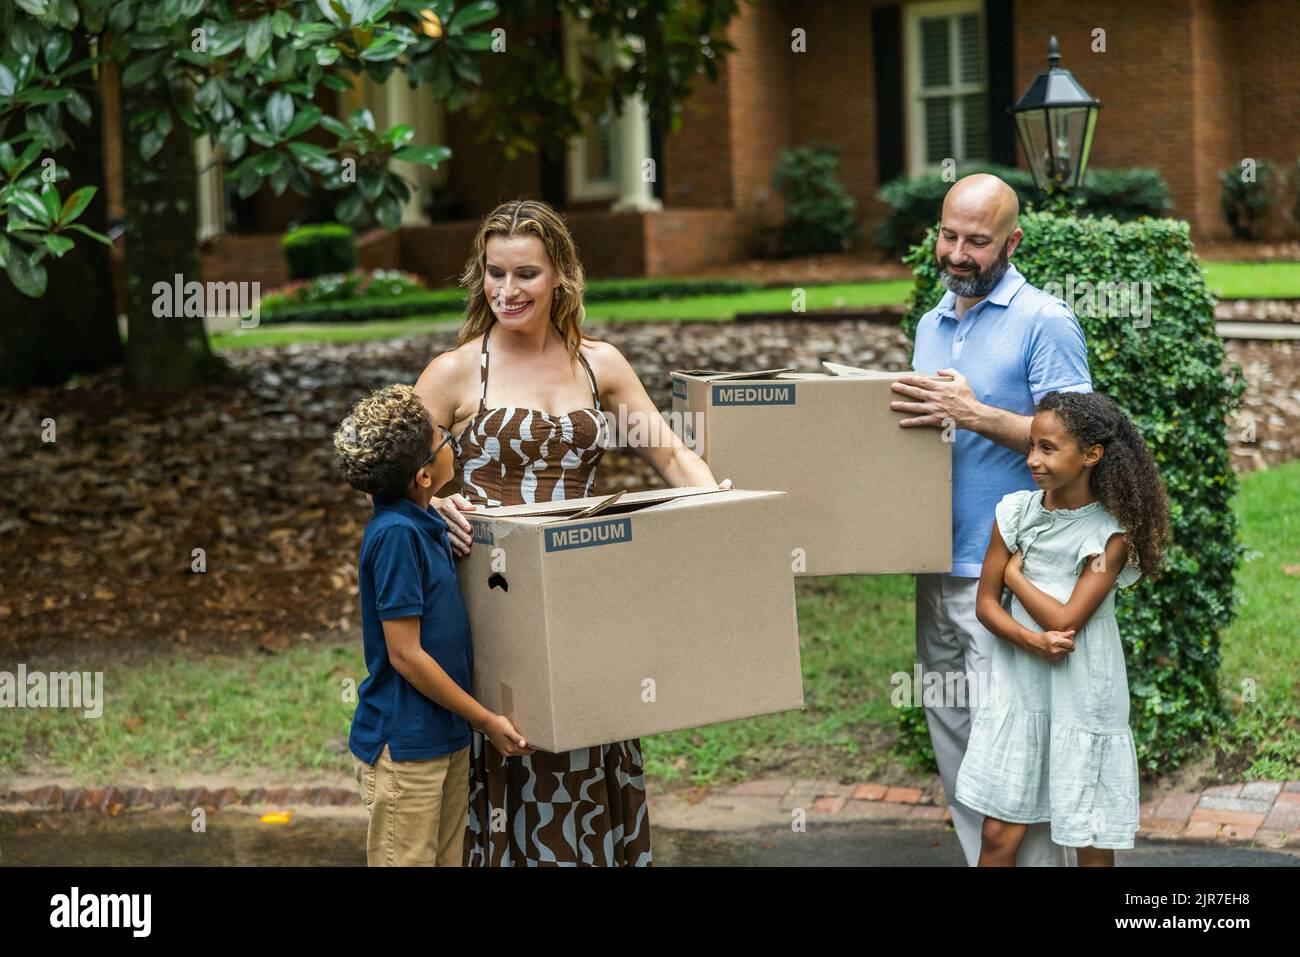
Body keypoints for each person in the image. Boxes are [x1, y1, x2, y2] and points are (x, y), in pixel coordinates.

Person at [413, 198, 730, 866]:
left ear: (561, 273)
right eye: (494, 272)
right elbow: (391, 479)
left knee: (587, 754)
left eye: (524, 273)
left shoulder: (600, 365)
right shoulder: (455, 371)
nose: (506, 290)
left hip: (587, 597)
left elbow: (670, 453)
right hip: (493, 607)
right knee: (513, 751)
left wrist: (724, 512)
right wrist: (430, 507)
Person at [890, 173, 1093, 866]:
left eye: (977, 241)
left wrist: (977, 413)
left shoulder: (1045, 320)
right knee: (958, 751)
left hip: (1008, 578)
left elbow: (1077, 447)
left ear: (1013, 241)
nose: (957, 253)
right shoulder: (929, 320)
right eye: (949, 235)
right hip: (933, 565)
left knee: (1013, 762)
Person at [957, 390, 1169, 865]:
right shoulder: (1013, 513)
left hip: (1084, 692)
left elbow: (1066, 620)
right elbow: (986, 606)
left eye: (1048, 448)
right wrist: (1031, 640)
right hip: (1022, 688)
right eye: (1032, 445)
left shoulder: (1110, 534)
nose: (1033, 459)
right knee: (997, 836)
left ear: (1091, 455)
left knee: (1088, 834)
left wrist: (1014, 574)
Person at [333, 384, 530, 866]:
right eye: (443, 439)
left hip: (444, 735)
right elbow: (406, 655)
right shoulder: (397, 536)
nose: (451, 441)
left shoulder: (421, 520)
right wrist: (484, 718)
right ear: (424, 475)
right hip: (407, 746)